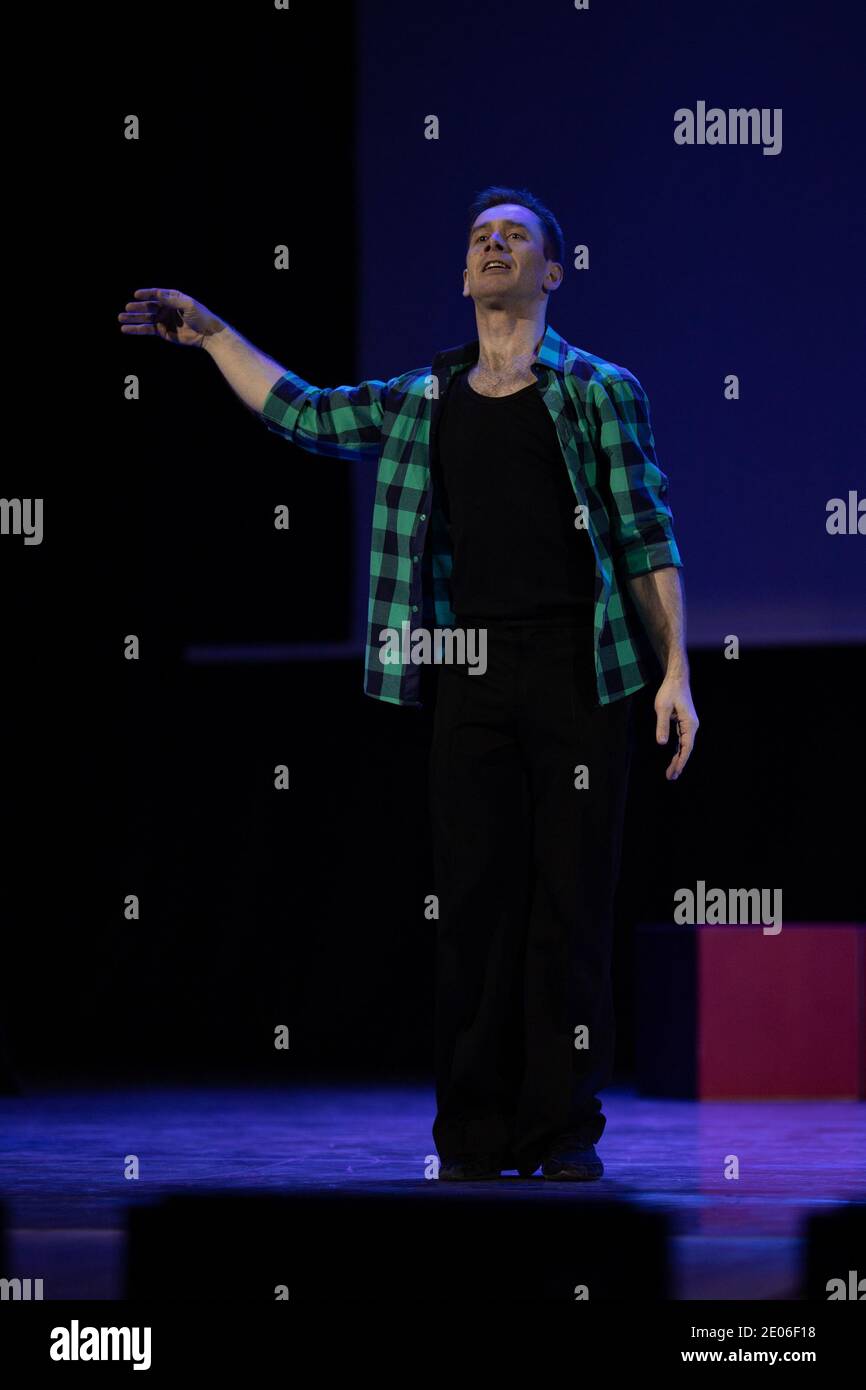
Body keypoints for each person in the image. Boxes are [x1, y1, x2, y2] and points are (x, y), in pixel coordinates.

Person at [117, 184, 699, 1181]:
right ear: (464, 271)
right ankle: (472, 1132)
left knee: (568, 909)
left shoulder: (600, 389)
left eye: (515, 236)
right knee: (474, 905)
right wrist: (212, 335)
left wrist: (675, 673)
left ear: (551, 272)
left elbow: (646, 538)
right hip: (465, 669)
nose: (493, 244)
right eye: (479, 235)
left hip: (579, 671)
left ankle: (558, 1130)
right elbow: (302, 409)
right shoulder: (422, 397)